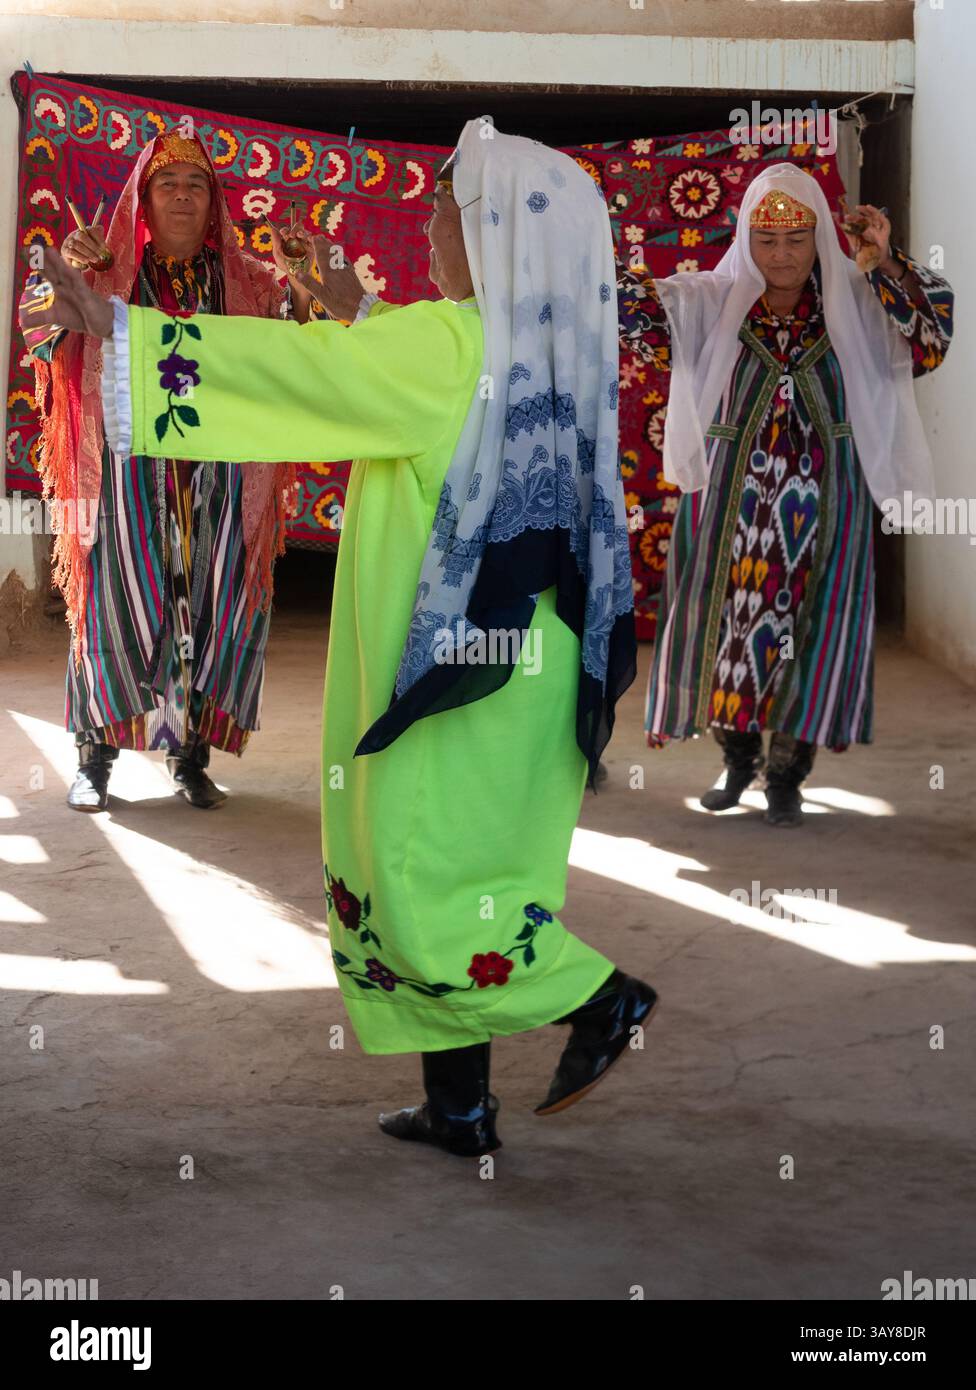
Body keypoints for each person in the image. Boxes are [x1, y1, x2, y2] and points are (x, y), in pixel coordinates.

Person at [23, 119, 656, 1157]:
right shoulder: (544, 347)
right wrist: (349, 303)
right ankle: (460, 1108)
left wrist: (125, 332)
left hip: (447, 661)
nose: (432, 225)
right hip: (528, 666)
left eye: (447, 209)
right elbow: (383, 357)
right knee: (465, 862)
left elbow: (306, 377)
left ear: (493, 228)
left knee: (411, 871)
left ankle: (598, 997)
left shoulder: (447, 345)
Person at [618, 164, 953, 826]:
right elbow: (636, 319)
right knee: (726, 633)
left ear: (817, 238)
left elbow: (929, 338)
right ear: (746, 239)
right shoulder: (713, 301)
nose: (781, 256)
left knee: (815, 629)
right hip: (728, 503)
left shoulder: (859, 304)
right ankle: (737, 758)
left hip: (828, 502)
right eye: (767, 242)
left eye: (796, 241)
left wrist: (886, 263)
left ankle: (786, 776)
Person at [20, 131, 297, 813]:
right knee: (114, 607)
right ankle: (95, 758)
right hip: (122, 479)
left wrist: (305, 274)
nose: (182, 196)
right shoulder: (110, 272)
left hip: (217, 483)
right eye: (167, 184)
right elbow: (33, 323)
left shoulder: (249, 283)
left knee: (198, 609)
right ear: (144, 200)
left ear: (214, 204)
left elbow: (306, 342)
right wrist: (68, 274)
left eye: (195, 185)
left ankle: (187, 754)